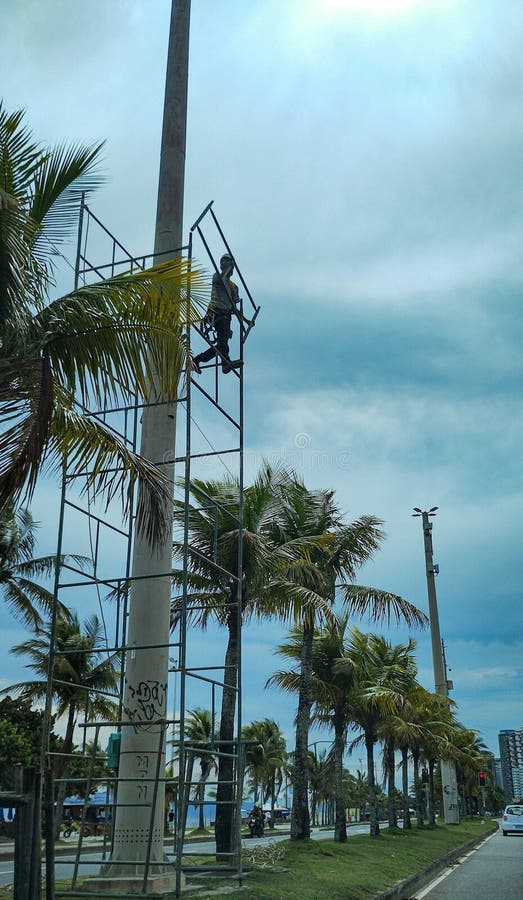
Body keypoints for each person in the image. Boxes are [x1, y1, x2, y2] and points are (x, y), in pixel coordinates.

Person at [192, 253, 253, 374]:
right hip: (216, 313)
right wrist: (228, 266)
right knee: (223, 342)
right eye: (225, 264)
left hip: (226, 316)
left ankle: (196, 360)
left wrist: (246, 321)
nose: (227, 267)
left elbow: (234, 308)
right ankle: (226, 364)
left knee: (220, 346)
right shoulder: (217, 277)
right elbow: (222, 278)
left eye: (229, 264)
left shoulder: (234, 287)